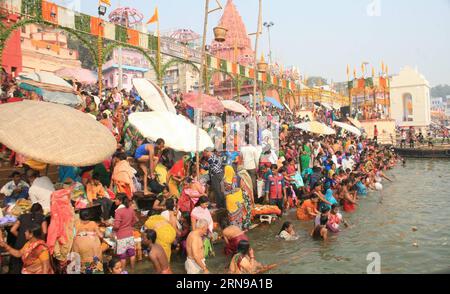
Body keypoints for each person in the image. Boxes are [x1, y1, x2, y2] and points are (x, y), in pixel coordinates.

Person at [8, 203, 48, 274]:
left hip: (19, 244)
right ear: (41, 210)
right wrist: (38, 241)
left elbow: (12, 230)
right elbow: (44, 232)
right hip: (32, 245)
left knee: (17, 268)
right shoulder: (42, 217)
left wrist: (21, 236)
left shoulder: (22, 216)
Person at [72, 209, 103, 274]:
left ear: (80, 217)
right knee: (95, 265)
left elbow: (73, 237)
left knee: (84, 266)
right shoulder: (93, 223)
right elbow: (101, 236)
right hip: (94, 248)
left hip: (81, 248)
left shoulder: (77, 224)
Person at [113, 193, 137, 272]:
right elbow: (135, 220)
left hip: (121, 237)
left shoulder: (118, 211)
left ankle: (123, 272)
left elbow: (116, 226)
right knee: (132, 254)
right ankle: (133, 271)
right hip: (130, 235)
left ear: (120, 201)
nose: (114, 200)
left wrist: (113, 229)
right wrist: (129, 226)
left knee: (122, 257)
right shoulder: (131, 209)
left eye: (116, 199)